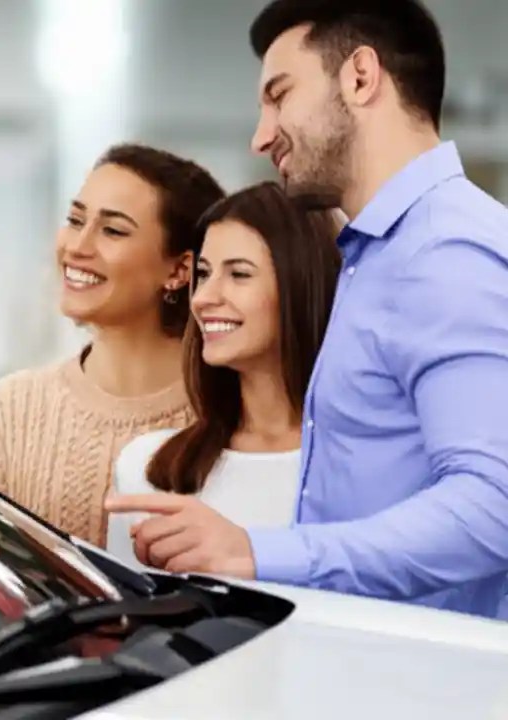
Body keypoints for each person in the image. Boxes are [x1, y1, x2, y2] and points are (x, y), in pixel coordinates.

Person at [107, 0, 508, 619]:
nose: (261, 134)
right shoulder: (377, 255)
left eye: (280, 95)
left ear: (360, 76)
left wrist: (259, 553)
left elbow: (494, 507)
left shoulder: (445, 250)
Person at [0, 144, 225, 549]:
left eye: (113, 230)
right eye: (75, 220)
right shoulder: (14, 408)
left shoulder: (228, 416)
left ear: (179, 269)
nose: (77, 246)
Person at [106, 182, 342, 569]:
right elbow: (126, 622)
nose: (202, 298)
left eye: (239, 275)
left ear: (301, 286)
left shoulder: (370, 471)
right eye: (203, 273)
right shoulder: (146, 469)